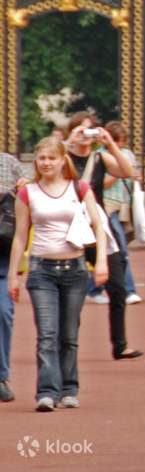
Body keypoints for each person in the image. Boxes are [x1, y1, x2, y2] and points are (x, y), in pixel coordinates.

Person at [7, 136, 110, 411]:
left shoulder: (79, 188)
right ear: (36, 162)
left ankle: (69, 388)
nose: (46, 163)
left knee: (69, 333)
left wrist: (101, 262)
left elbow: (99, 226)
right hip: (42, 270)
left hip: (75, 269)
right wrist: (15, 274)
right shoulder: (28, 193)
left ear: (63, 159)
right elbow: (20, 236)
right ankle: (47, 391)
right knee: (47, 333)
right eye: (42, 158)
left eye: (52, 158)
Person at [63, 113, 142, 360]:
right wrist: (68, 143)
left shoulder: (99, 157)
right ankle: (68, 342)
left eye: (89, 131)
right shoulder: (62, 157)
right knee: (70, 288)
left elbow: (127, 171)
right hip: (69, 229)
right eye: (81, 130)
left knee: (117, 286)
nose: (85, 136)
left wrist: (110, 145)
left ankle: (120, 344)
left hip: (97, 226)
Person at [87, 120, 141, 306]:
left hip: (123, 204)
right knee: (119, 249)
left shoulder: (123, 154)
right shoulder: (99, 156)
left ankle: (94, 288)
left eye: (121, 140)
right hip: (106, 206)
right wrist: (115, 173)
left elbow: (130, 172)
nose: (118, 144)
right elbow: (103, 182)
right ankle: (127, 289)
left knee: (116, 248)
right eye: (115, 140)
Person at [0, 150, 26, 402]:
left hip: (1, 250)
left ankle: (1, 376)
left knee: (3, 312)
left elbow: (29, 185)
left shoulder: (8, 161)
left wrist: (21, 187)